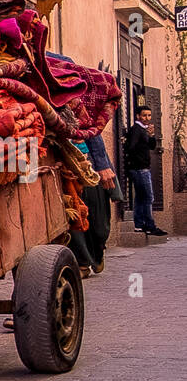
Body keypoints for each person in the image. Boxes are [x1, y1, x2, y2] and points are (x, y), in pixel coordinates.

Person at [67, 131, 119, 274]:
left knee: (99, 223)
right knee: (76, 217)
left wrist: (103, 166)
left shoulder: (86, 117)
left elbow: (94, 134)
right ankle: (82, 263)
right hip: (67, 165)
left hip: (92, 166)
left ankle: (98, 251)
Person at [124, 104, 167, 236]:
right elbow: (131, 147)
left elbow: (152, 146)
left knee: (141, 197)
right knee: (148, 197)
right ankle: (150, 226)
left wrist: (152, 134)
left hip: (140, 169)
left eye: (149, 115)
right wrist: (140, 161)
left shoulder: (143, 129)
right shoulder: (136, 129)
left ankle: (139, 225)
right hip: (140, 169)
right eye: (144, 115)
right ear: (138, 116)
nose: (147, 118)